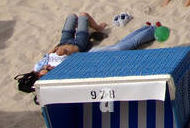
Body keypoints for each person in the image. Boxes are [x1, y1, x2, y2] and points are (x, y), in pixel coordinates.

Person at [28, 12, 159, 84]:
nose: (48, 68)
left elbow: (47, 55)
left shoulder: (39, 67)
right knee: (118, 48)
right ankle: (150, 30)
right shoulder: (60, 73)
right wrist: (65, 54)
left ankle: (97, 28)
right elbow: (74, 64)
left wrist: (56, 49)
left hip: (63, 41)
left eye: (44, 70)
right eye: (49, 71)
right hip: (80, 46)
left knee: (72, 16)